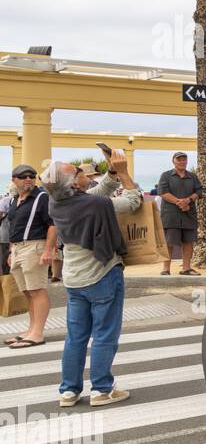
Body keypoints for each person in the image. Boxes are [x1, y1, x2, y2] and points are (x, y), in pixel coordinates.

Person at [42, 152, 141, 407]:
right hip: (102, 274)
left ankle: (69, 391)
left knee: (76, 337)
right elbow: (133, 201)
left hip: (73, 278)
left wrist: (110, 175)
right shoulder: (94, 206)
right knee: (105, 334)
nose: (83, 173)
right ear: (75, 183)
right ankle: (101, 389)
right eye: (78, 172)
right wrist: (125, 173)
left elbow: (94, 196)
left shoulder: (55, 202)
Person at [3, 164, 56, 349]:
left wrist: (48, 250)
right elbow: (14, 227)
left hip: (34, 246)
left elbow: (52, 224)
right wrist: (11, 251)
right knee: (27, 292)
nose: (28, 179)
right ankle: (30, 330)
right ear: (14, 180)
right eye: (23, 176)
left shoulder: (42, 198)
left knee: (37, 290)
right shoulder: (14, 200)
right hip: (18, 248)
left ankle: (37, 333)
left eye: (32, 176)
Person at [155, 152, 203, 275]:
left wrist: (188, 200)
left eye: (184, 160)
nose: (182, 162)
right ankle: (166, 269)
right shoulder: (165, 175)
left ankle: (186, 268)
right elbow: (162, 192)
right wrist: (179, 202)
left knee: (188, 241)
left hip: (188, 214)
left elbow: (199, 191)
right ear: (174, 161)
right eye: (179, 160)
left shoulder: (193, 176)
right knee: (169, 242)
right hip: (171, 215)